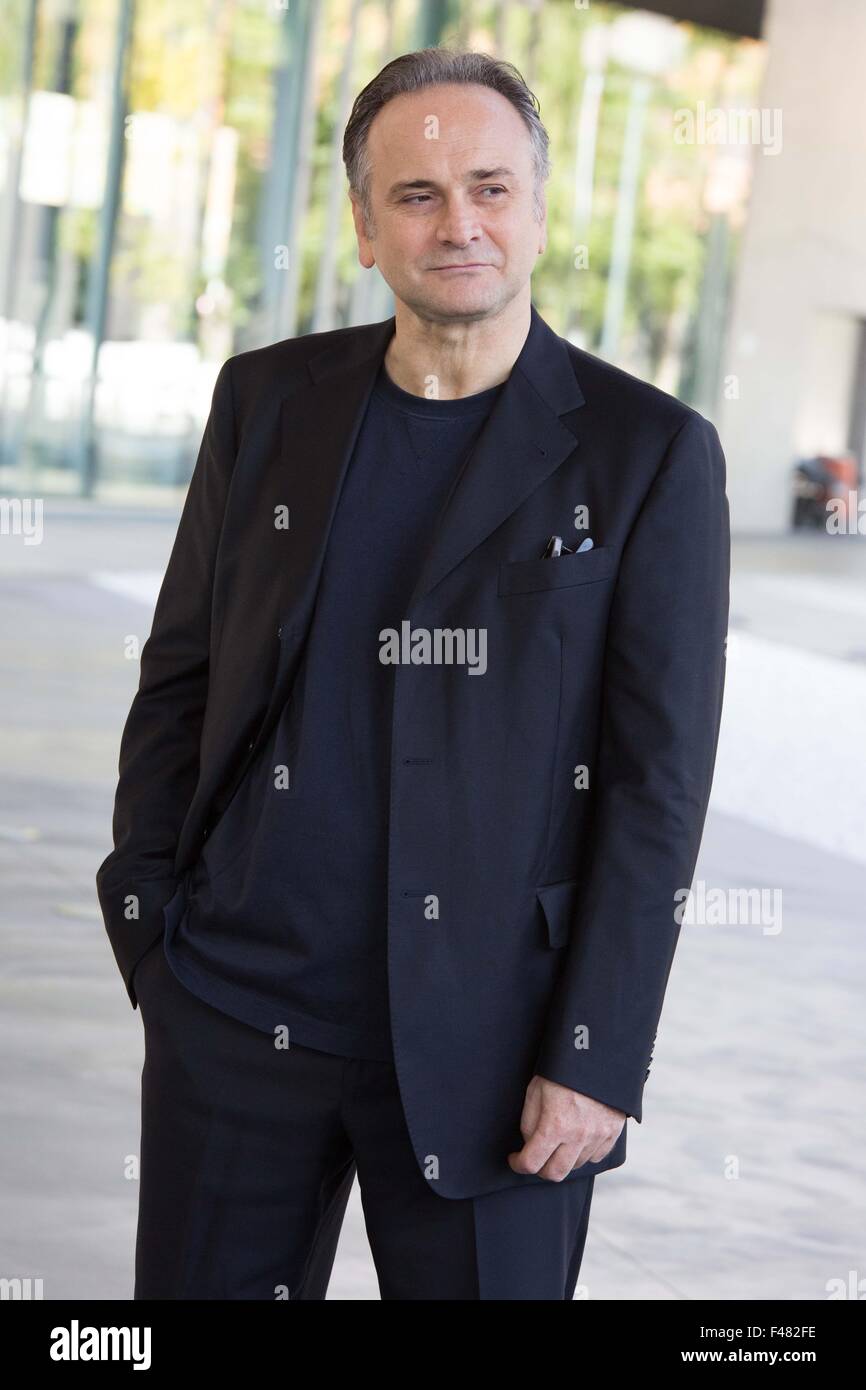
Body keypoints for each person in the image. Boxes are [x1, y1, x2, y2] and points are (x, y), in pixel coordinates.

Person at [96, 47, 730, 1300]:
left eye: (490, 188)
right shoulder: (266, 402)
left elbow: (657, 788)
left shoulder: (648, 453)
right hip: (234, 1011)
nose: (459, 225)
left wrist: (597, 1053)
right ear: (362, 225)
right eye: (418, 194)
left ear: (539, 210)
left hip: (499, 1048)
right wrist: (151, 926)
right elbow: (179, 678)